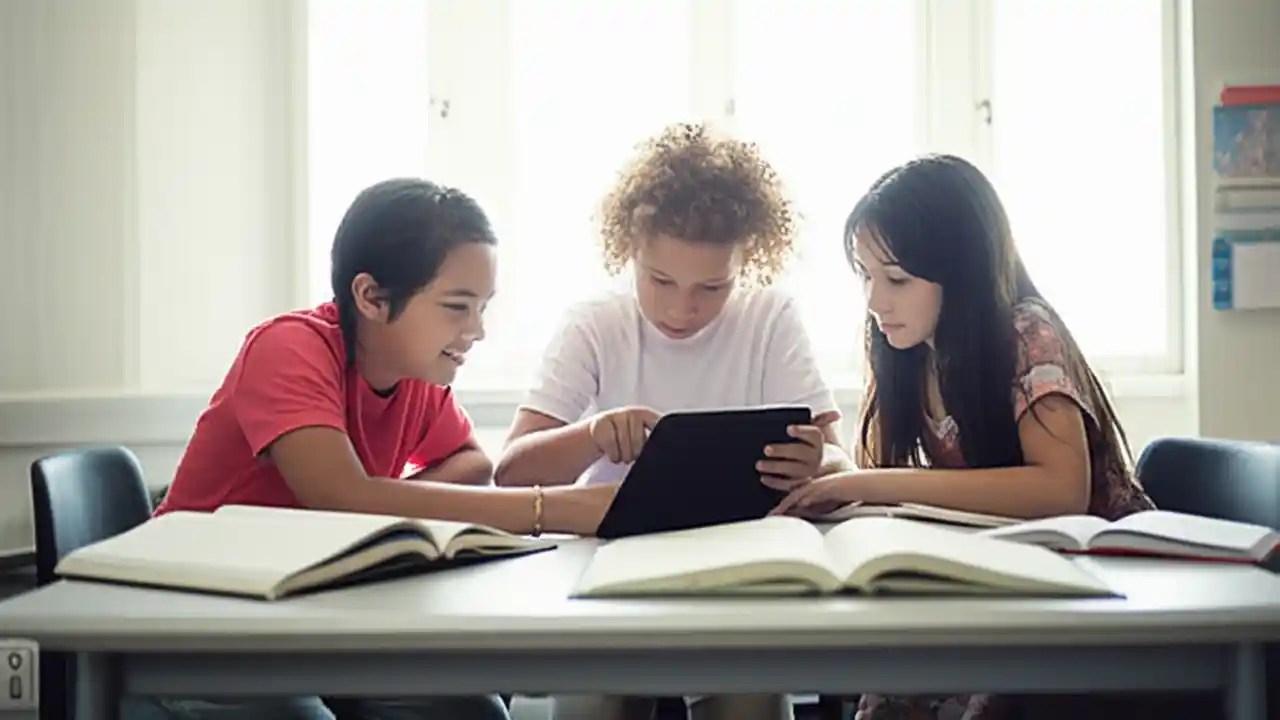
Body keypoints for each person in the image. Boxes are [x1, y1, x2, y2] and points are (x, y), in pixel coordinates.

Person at [132, 178, 618, 720]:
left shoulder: (419, 372)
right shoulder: (288, 348)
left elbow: (471, 463)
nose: (477, 330)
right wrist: (549, 508)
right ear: (371, 297)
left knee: (473, 710)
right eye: (457, 307)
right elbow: (336, 494)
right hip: (200, 624)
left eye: (483, 307)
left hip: (314, 616)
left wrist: (380, 512)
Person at [768, 155, 1161, 720]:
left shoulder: (1025, 332)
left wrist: (869, 483)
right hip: (1001, 574)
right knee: (890, 681)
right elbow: (892, 477)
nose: (876, 301)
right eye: (866, 276)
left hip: (1100, 583)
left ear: (961, 270)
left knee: (962, 685)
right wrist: (836, 476)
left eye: (896, 279)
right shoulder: (903, 347)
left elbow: (1061, 491)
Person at [497, 122, 853, 720]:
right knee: (592, 701)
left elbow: (841, 464)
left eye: (713, 287)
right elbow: (510, 473)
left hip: (742, 573)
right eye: (659, 280)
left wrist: (818, 462)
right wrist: (590, 436)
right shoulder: (595, 325)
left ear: (748, 261)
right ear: (630, 249)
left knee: (750, 700)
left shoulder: (769, 317)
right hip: (608, 570)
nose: (680, 309)